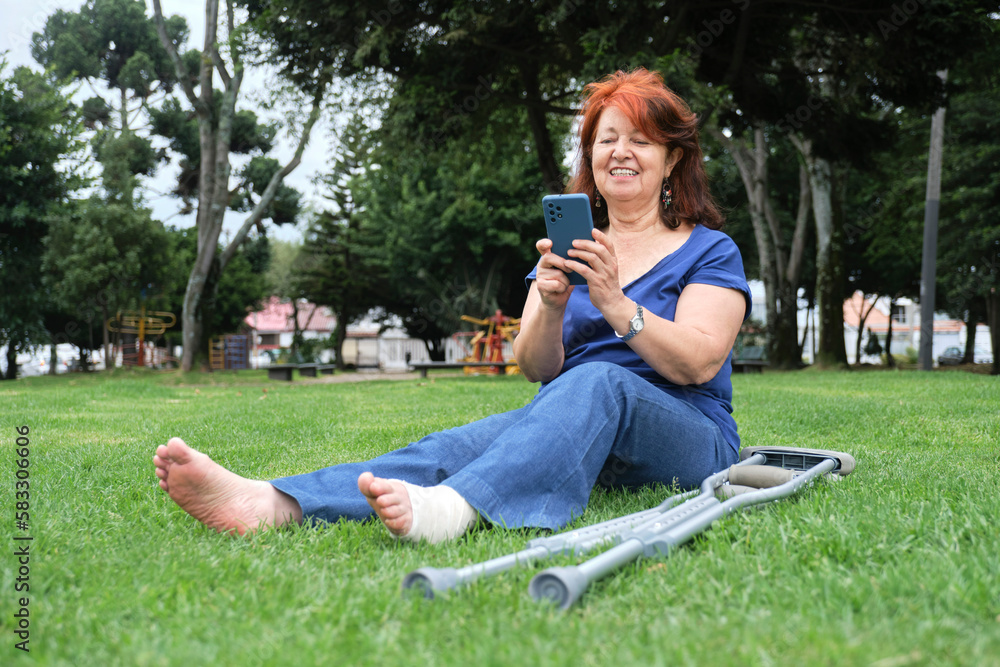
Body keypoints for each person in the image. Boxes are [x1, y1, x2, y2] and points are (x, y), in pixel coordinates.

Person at [153, 68, 751, 544]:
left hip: (689, 436)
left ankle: (454, 511)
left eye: (640, 141)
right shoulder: (578, 249)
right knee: (450, 446)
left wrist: (617, 305)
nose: (620, 152)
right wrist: (548, 303)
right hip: (576, 423)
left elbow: (699, 363)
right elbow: (539, 370)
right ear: (590, 157)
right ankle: (272, 502)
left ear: (673, 158)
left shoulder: (708, 250)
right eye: (607, 139)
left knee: (600, 381)